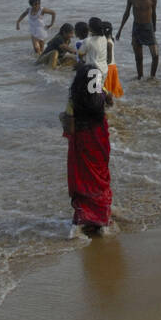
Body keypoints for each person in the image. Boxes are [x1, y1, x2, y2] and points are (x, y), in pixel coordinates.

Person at [61, 61, 114, 236]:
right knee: (100, 176)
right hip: (99, 140)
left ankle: (82, 218)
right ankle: (102, 221)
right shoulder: (100, 93)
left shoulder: (73, 98)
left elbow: (69, 124)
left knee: (83, 177)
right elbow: (110, 102)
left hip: (82, 142)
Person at [117, 0, 160, 79]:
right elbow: (126, 13)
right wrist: (120, 30)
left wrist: (154, 27)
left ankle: (152, 77)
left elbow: (154, 14)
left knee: (155, 55)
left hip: (148, 28)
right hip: (137, 28)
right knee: (138, 57)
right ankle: (140, 77)